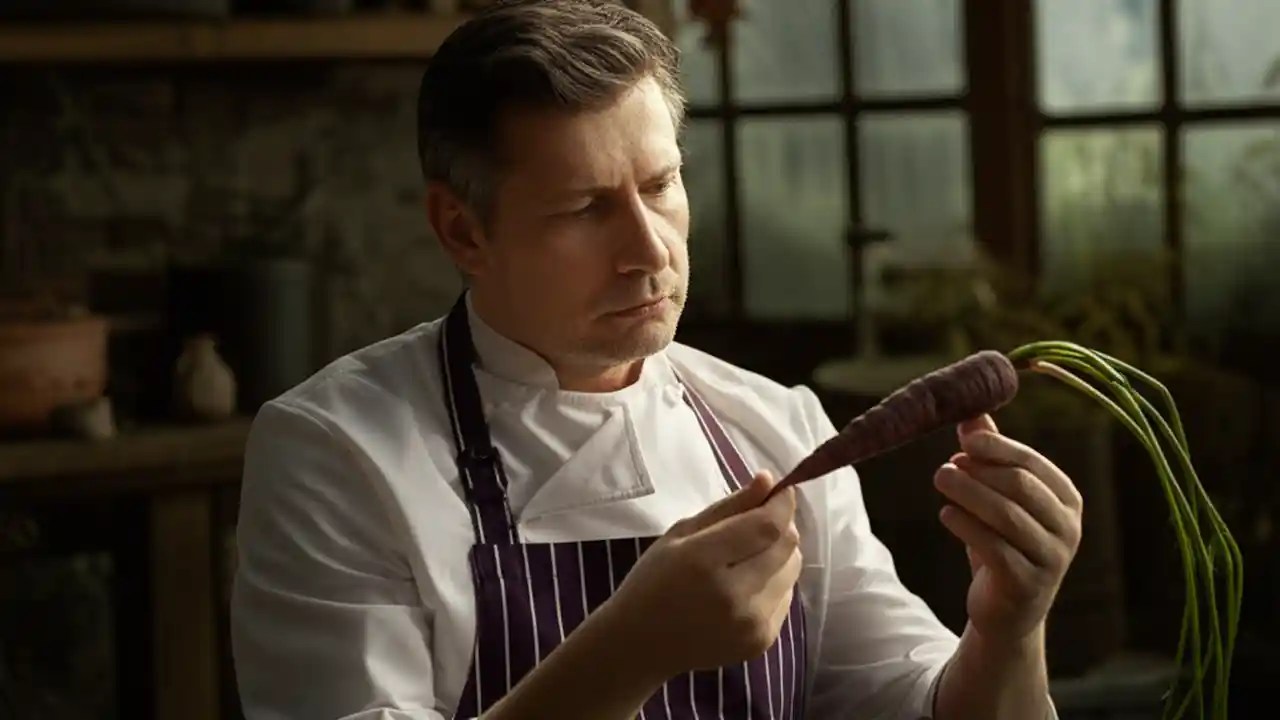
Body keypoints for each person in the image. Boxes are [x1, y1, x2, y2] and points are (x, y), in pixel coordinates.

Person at [230, 1, 1080, 718]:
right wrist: (630, 653)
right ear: (462, 229)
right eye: (586, 208)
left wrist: (1011, 626)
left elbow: (917, 701)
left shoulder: (775, 426)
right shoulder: (336, 451)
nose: (649, 250)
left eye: (660, 186)